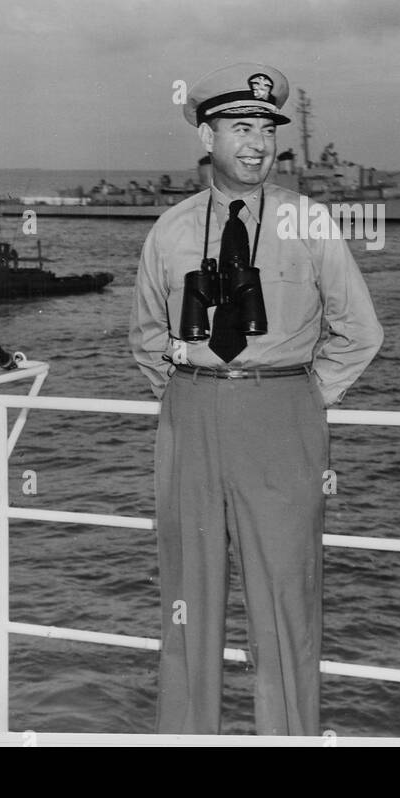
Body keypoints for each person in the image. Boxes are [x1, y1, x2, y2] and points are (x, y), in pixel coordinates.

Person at [130, 62, 383, 735]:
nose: (257, 143)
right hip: (190, 419)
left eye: (267, 130)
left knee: (285, 607)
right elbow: (147, 336)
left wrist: (300, 394)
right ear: (208, 136)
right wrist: (195, 389)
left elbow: (361, 331)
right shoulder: (171, 230)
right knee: (189, 602)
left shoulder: (312, 222)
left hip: (282, 417)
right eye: (240, 128)